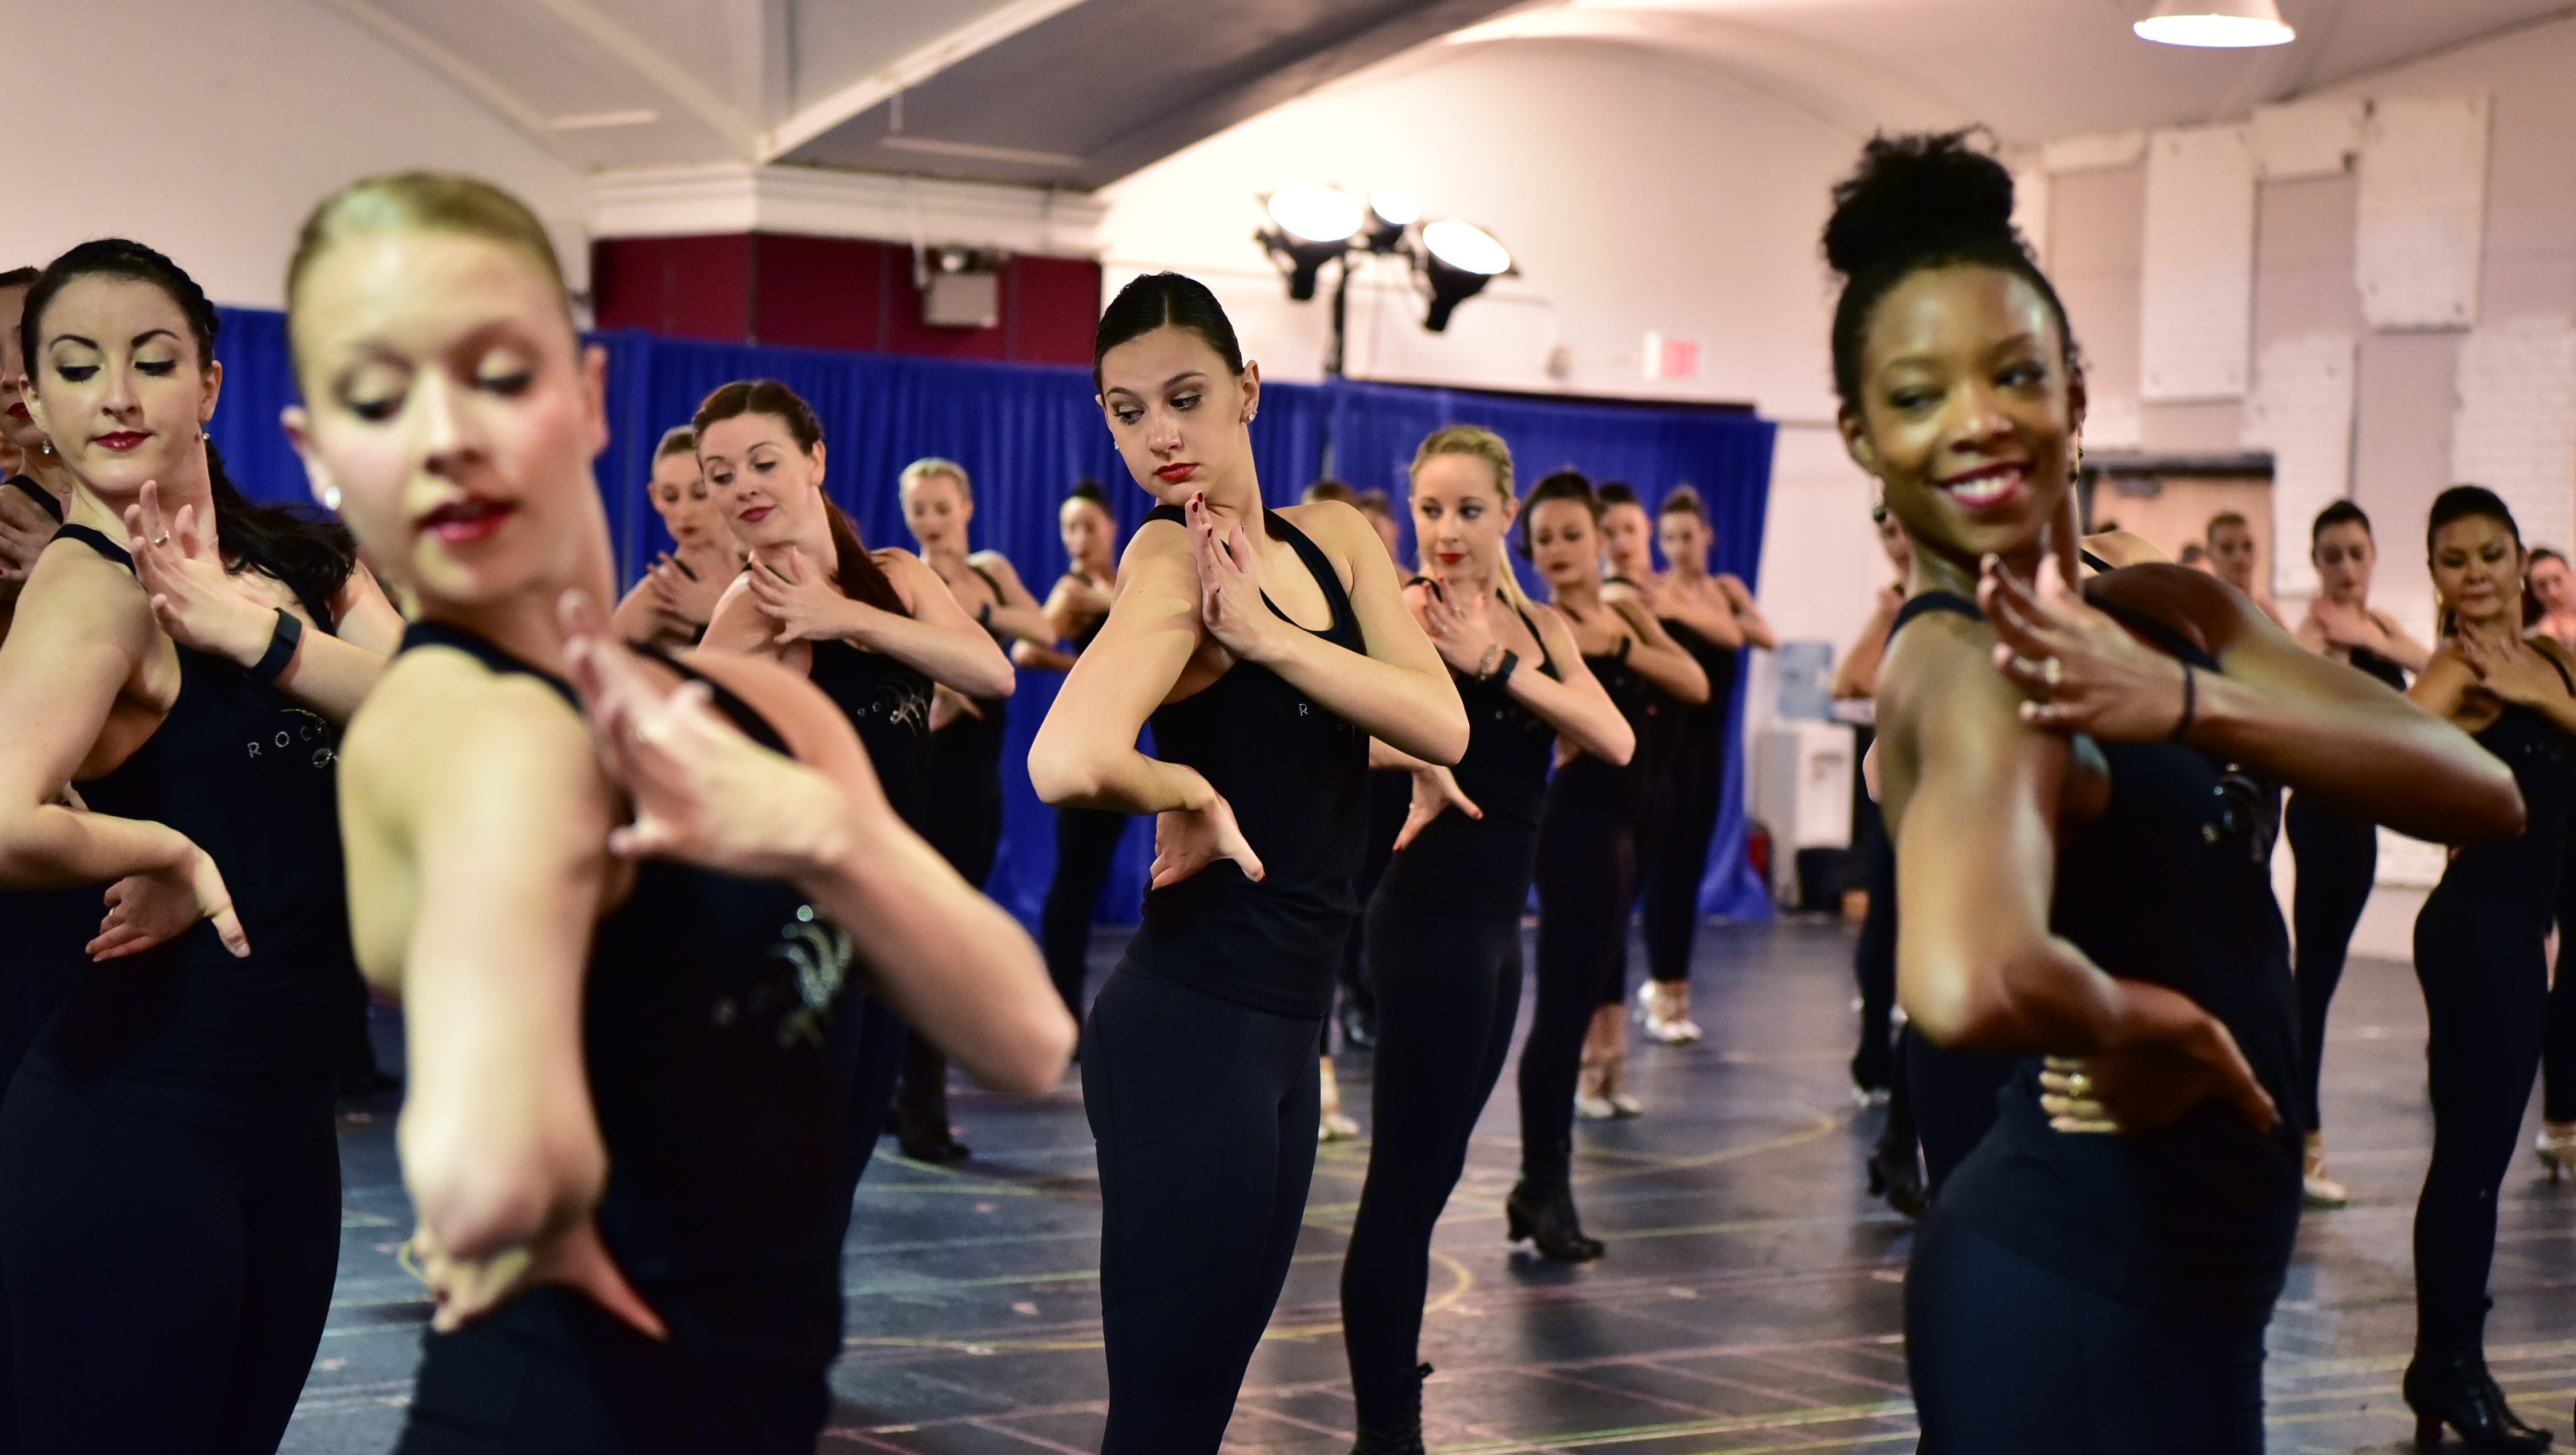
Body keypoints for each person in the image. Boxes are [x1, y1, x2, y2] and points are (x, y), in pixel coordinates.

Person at [285, 170, 1070, 1454]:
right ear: (319, 452)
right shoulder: (448, 720)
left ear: (588, 394)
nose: (446, 437)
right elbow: (487, 1150)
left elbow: (1031, 1037)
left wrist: (827, 831)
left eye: (495, 371)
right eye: (377, 397)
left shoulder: (745, 704)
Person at [1824, 132, 2518, 1452]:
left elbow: (2479, 790)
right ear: (1861, 431)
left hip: (2201, 1291)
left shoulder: (2173, 612)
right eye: (1918, 393)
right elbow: (1965, 977)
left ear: (2075, 393)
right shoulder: (1954, 663)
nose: (1976, 418)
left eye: (2013, 373)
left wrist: (2190, 705)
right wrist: (2151, 1025)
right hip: (2066, 1277)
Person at [1027, 271, 1465, 1453]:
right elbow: (1066, 758)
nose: (1159, 434)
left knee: (1202, 1408)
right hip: (1193, 1029)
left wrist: (1267, 638)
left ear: (1248, 392)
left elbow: (1441, 721)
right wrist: (1188, 787)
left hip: (1284, 1029)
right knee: (1165, 1420)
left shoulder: (1332, 542)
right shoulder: (1170, 564)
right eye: (1126, 411)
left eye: (1184, 397)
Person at [0, 238, 408, 1451]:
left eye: (153, 359)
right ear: (35, 402)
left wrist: (258, 636)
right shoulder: (90, 590)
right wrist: (166, 847)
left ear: (211, 385)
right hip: (135, 1128)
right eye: (79, 365)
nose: (118, 393)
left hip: (285, 1126)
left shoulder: (290, 569)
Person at [1339, 425, 1632, 1451]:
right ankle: (1388, 1425)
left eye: (1467, 509)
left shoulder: (1539, 627)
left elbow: (1614, 735)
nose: (1446, 530)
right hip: (1423, 924)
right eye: (1427, 509)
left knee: (1433, 1179)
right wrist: (1423, 747)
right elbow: (1332, 726)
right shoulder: (1400, 613)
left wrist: (1497, 662)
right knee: (1402, 1187)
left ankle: (1391, 1408)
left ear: (1506, 512)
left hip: (1496, 935)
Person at [694, 381, 1017, 1198]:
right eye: (720, 475)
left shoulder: (896, 580)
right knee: (796, 1178)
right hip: (807, 925)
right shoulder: (749, 606)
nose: (742, 489)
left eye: (762, 463)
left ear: (815, 461)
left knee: (839, 1175)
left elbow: (992, 671)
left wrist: (846, 619)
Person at [2400, 486, 2575, 1453]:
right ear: (2434, 575)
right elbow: (2372, 756)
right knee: (2468, 1166)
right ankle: (2446, 1368)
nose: (2475, 574)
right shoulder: (2449, 677)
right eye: (2454, 559)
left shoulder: (2548, 660)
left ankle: (2453, 1365)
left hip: (2521, 931)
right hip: (2471, 927)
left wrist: (2545, 698)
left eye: (2490, 553)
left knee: (2481, 1165)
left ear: (2518, 559)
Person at [1511, 470, 1706, 1257]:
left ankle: (1545, 1186)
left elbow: (1691, 680)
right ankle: (1542, 1185)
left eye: (1572, 535)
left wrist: (1621, 642)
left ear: (1600, 540)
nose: (1557, 550)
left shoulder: (1623, 613)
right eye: (1544, 538)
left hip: (1634, 824)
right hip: (1578, 827)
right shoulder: (1539, 625)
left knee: (1590, 989)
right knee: (1562, 1013)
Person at [894, 455, 1055, 1162]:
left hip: (979, 782)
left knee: (951, 931)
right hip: (923, 777)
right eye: (919, 509)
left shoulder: (988, 571)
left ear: (967, 505)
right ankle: (916, 1108)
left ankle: (907, 1098)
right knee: (923, 941)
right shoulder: (905, 581)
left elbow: (1042, 629)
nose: (930, 519)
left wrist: (977, 618)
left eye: (940, 506)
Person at [2285, 501, 2430, 1208]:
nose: (2345, 568)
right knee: (2310, 987)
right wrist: (2329, 644)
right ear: (2316, 563)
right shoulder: (2312, 629)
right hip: (2321, 816)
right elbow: (2285, 700)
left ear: (2373, 557)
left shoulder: (2383, 628)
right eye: (2332, 555)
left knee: (2315, 983)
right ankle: (2300, 1142)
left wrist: (2377, 641)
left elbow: (2433, 680)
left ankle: (2291, 1134)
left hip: (2360, 825)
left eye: (2356, 553)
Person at [1306, 477, 1407, 1129]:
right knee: (1323, 927)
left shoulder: (1397, 602)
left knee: (1365, 914)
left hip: (1388, 788)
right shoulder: (1306, 610)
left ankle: (1359, 1013)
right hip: (1325, 794)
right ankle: (1318, 1080)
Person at [1027, 479, 1128, 1023]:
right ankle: (1059, 1006)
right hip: (1087, 743)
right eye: (1070, 527)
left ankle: (1071, 1000)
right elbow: (1027, 648)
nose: (1080, 538)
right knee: (1072, 882)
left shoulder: (1125, 580)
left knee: (1089, 881)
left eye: (1089, 525)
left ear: (1112, 527)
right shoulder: (1073, 590)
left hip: (1121, 742)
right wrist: (1084, 670)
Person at [609, 426, 737, 647]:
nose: (685, 512)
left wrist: (715, 610)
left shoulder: (764, 566)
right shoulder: (659, 596)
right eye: (671, 497)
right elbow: (594, 664)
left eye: (699, 494)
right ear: (654, 497)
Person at [2206, 510, 2289, 628]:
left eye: (2248, 546)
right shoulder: (2204, 610)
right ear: (2209, 553)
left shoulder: (2266, 610)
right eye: (2227, 548)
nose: (2240, 558)